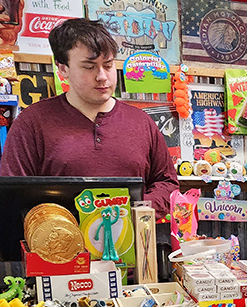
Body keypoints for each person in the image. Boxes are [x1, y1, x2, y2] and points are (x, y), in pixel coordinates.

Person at [0, 18, 178, 216]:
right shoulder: (32, 122)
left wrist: (137, 209)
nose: (102, 76)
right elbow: (13, 194)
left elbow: (167, 182)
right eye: (89, 66)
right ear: (63, 69)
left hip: (132, 243)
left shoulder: (141, 122)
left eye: (108, 65)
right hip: (58, 243)